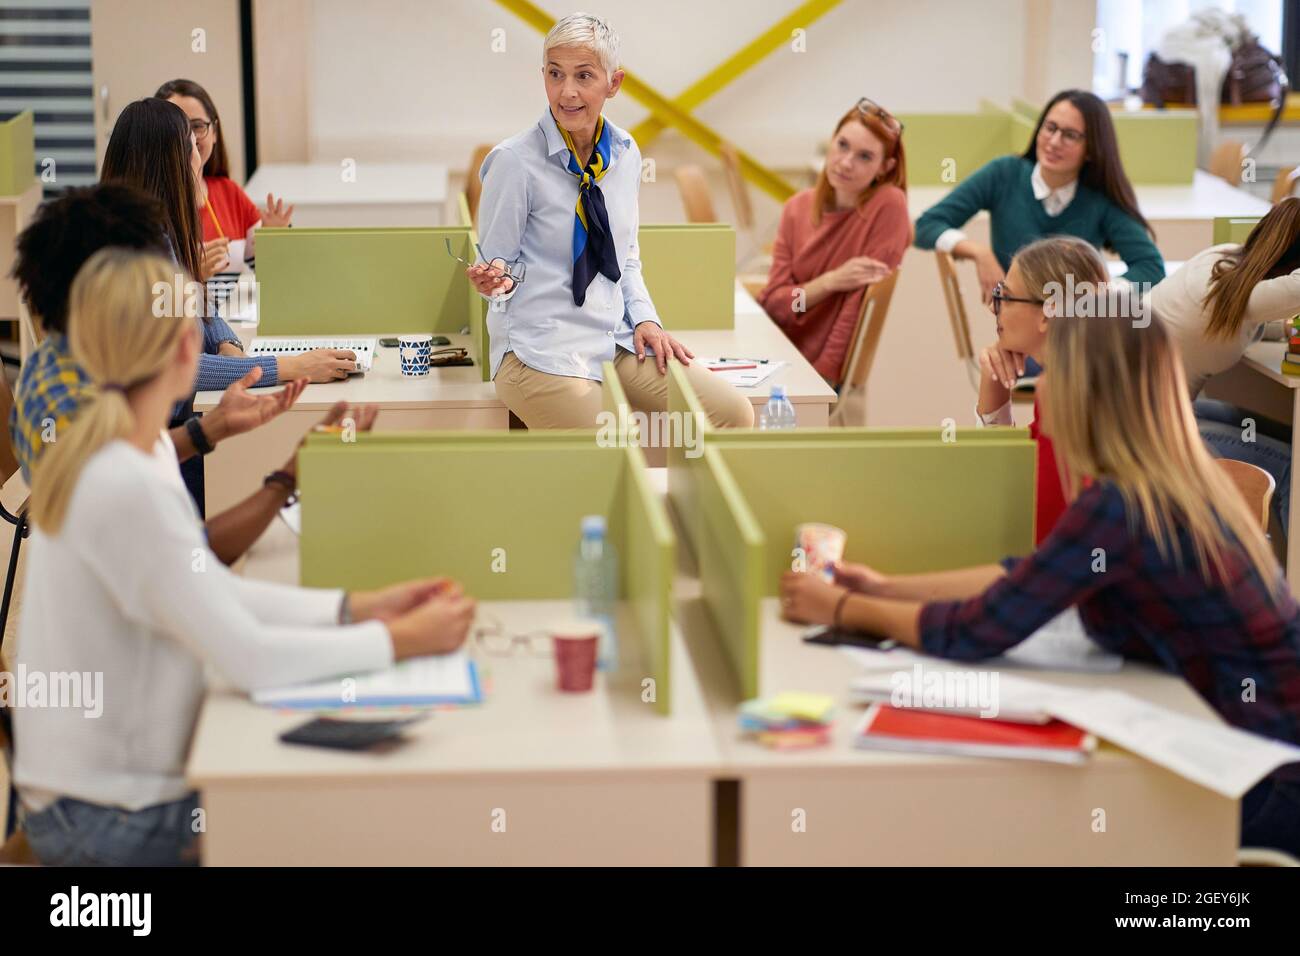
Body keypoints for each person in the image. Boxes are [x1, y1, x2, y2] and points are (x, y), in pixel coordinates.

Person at [779, 303, 1300, 858]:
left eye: (1052, 370)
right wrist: (883, 588)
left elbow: (975, 630)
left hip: (1266, 788)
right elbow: (1023, 578)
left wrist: (839, 609)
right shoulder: (1167, 480)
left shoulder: (1121, 506)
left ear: (1085, 391)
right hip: (1259, 755)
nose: (1041, 385)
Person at [12, 248, 476, 866]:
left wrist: (359, 608)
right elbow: (250, 657)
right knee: (350, 827)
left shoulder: (120, 448)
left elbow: (213, 589)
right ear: (187, 350)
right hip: (107, 820)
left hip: (91, 796)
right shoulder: (125, 481)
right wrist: (402, 641)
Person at [9, 183, 344, 564]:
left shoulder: (60, 379)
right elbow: (191, 559)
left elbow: (132, 458)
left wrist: (209, 429)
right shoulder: (106, 479)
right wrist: (285, 480)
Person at [469, 13, 753, 430]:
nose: (567, 91)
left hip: (611, 338)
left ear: (613, 83)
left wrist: (646, 319)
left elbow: (626, 257)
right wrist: (495, 280)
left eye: (584, 76)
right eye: (555, 74)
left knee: (732, 413)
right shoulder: (514, 162)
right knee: (616, 440)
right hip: (538, 350)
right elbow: (499, 271)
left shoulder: (624, 153)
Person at [101, 98, 352, 388]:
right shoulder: (142, 250)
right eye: (192, 146)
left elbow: (198, 303)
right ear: (174, 162)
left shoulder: (157, 231)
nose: (199, 157)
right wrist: (293, 366)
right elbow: (176, 368)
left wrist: (226, 341)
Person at [914, 89, 1164, 306]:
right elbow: (925, 226)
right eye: (1050, 127)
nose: (1054, 142)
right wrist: (980, 253)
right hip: (1018, 328)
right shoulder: (1004, 174)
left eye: (1070, 135)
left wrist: (1098, 296)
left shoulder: (1100, 196)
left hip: (1075, 330)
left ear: (1091, 149)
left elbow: (1151, 268)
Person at [1149, 196, 1300, 531]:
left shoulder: (1221, 259)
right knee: (1294, 465)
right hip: (1151, 431)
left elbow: (1233, 317)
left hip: (1152, 409)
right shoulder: (1249, 297)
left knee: (1293, 438)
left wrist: (1281, 329)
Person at [756, 98, 910, 386]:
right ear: (831, 142)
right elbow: (775, 305)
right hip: (774, 351)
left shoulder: (888, 205)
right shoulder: (796, 208)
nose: (846, 162)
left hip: (817, 372)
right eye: (842, 145)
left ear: (885, 167)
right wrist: (831, 282)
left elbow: (858, 307)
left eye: (865, 157)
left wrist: (823, 379)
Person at [974, 236, 1109, 542]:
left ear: (1048, 313)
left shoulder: (1064, 398)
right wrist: (994, 385)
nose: (994, 308)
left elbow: (1020, 519)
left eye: (1006, 297)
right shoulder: (1077, 376)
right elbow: (1008, 470)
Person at [156, 77, 294, 274]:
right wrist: (191, 275)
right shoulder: (148, 208)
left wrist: (276, 246)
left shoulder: (230, 193)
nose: (190, 139)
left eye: (197, 126)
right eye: (178, 129)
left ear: (214, 133)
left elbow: (272, 274)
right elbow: (145, 290)